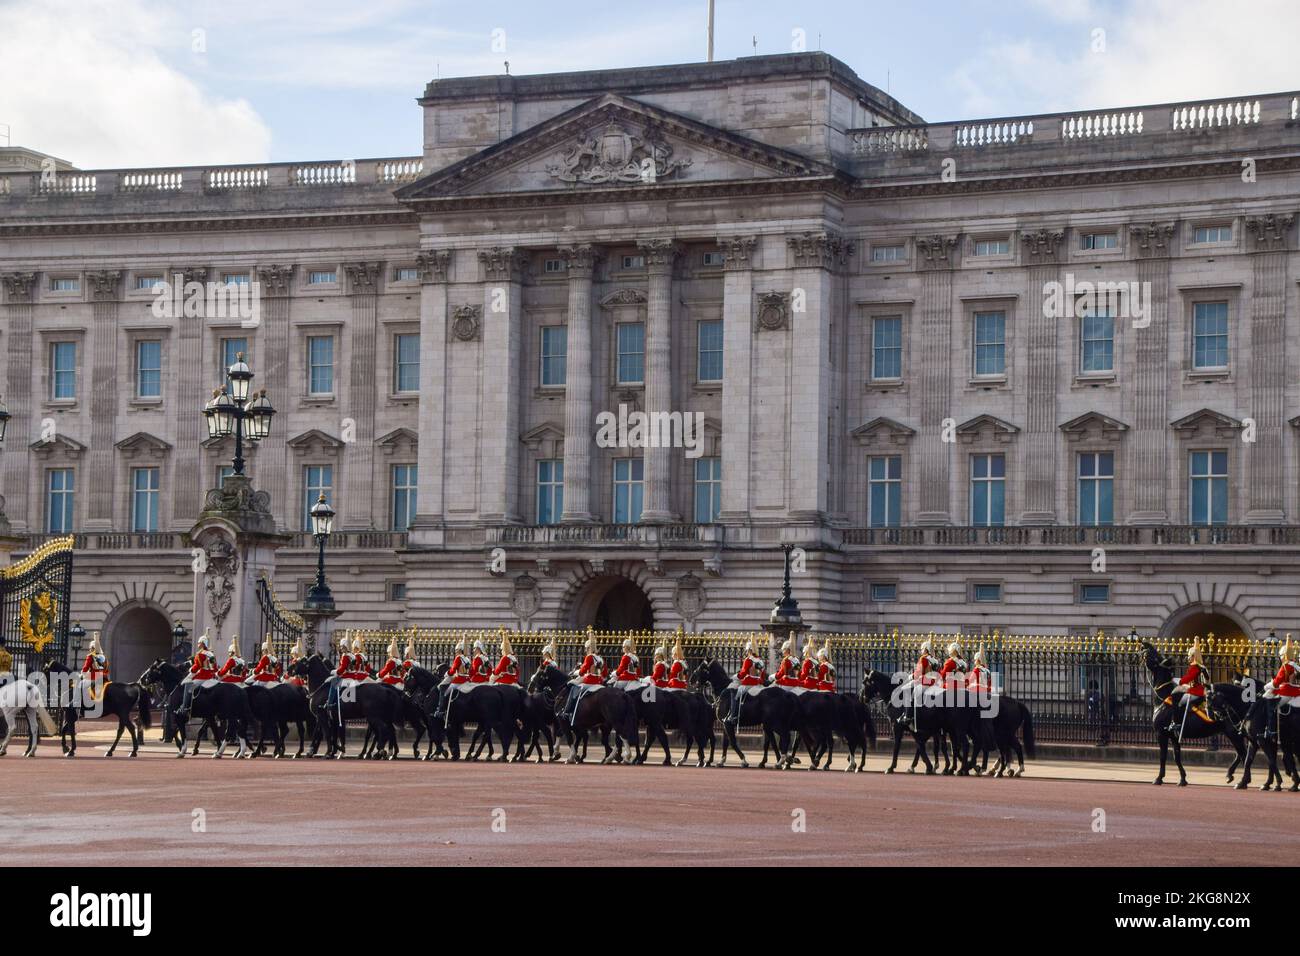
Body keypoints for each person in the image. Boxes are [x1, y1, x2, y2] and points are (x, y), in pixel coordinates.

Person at [562, 631, 606, 723]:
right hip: (599, 682)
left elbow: (582, 672)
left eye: (586, 649)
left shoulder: (589, 657)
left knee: (574, 688)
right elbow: (604, 672)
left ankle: (568, 711)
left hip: (589, 682)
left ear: (589, 648)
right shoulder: (600, 658)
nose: (586, 650)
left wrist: (578, 671)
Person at [895, 637, 939, 728]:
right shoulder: (935, 660)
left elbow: (918, 673)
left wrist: (910, 676)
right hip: (934, 682)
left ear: (926, 649)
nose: (921, 651)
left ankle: (907, 716)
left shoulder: (923, 658)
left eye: (923, 649)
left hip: (925, 681)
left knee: (906, 689)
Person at [1170, 637, 1210, 731]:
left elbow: (1188, 678)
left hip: (1196, 692)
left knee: (1179, 702)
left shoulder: (1195, 667)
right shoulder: (1201, 667)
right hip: (1198, 690)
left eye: (1189, 655)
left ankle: (1177, 723)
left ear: (1193, 656)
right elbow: (1206, 680)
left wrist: (1179, 681)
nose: (1188, 657)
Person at [726, 638, 767, 722]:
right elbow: (763, 675)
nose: (747, 653)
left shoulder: (748, 660)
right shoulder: (760, 660)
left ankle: (733, 715)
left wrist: (735, 676)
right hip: (758, 684)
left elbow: (743, 674)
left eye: (747, 651)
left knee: (734, 693)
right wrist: (760, 681)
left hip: (748, 684)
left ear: (749, 650)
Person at [433, 638, 473, 720]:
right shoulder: (468, 659)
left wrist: (447, 673)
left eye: (456, 651)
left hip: (458, 681)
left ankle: (441, 711)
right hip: (467, 680)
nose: (455, 653)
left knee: (444, 692)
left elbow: (452, 670)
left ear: (459, 650)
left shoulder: (458, 658)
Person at [180, 633, 220, 714]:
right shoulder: (211, 654)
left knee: (188, 686)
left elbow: (197, 667)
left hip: (202, 677)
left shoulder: (200, 654)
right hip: (211, 677)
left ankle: (185, 707)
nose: (198, 644)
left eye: (199, 643)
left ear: (202, 643)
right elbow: (215, 668)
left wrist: (191, 669)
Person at [79, 631, 109, 704]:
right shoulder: (104, 656)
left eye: (90, 648)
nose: (90, 650)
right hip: (104, 678)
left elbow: (85, 668)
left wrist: (82, 674)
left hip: (93, 677)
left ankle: (80, 705)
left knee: (79, 686)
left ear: (92, 648)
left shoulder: (90, 656)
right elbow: (106, 669)